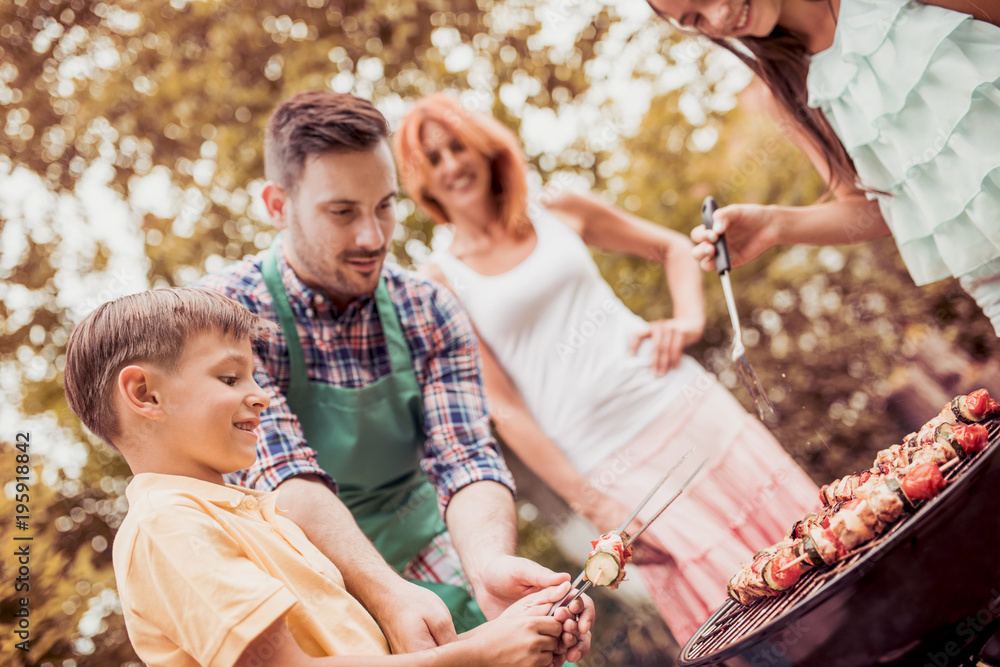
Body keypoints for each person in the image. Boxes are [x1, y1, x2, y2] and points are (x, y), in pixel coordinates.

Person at [393, 92, 820, 642]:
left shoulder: (559, 207)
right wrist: (593, 502)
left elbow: (672, 248)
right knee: (743, 611)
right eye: (432, 158)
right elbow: (506, 409)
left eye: (457, 146)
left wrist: (687, 322)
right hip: (610, 462)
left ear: (484, 147)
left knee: (812, 540)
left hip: (686, 405)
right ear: (421, 181)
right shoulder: (441, 277)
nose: (450, 164)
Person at [195, 90, 593, 657]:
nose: (373, 237)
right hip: (301, 570)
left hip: (426, 541)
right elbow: (283, 477)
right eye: (342, 212)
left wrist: (488, 567)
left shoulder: (428, 309)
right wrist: (388, 596)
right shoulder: (226, 316)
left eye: (384, 205)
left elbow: (464, 457)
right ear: (278, 205)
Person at [61, 287, 588, 667]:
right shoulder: (166, 530)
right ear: (145, 394)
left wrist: (519, 635)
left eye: (252, 374)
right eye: (229, 377)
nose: (261, 394)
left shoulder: (256, 515)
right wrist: (479, 653)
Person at [645, 0, 1000, 336]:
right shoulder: (791, 91)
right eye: (696, 20)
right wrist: (774, 224)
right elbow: (877, 209)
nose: (718, 16)